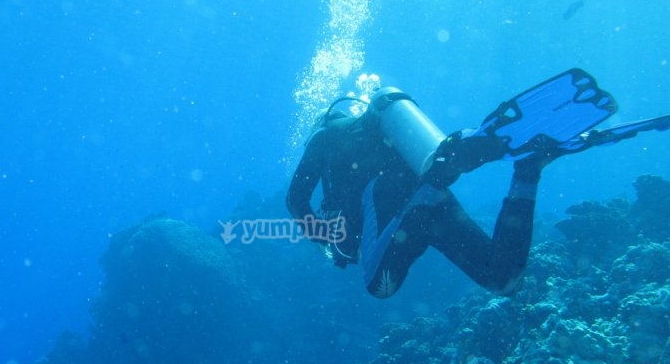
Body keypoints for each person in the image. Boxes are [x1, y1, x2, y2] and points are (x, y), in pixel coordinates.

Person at [287, 69, 669, 299]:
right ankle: (527, 171)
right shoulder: (382, 136)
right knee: (501, 279)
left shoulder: (326, 136)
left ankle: (436, 181)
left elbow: (295, 201)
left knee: (376, 285)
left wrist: (321, 237)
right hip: (425, 192)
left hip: (405, 198)